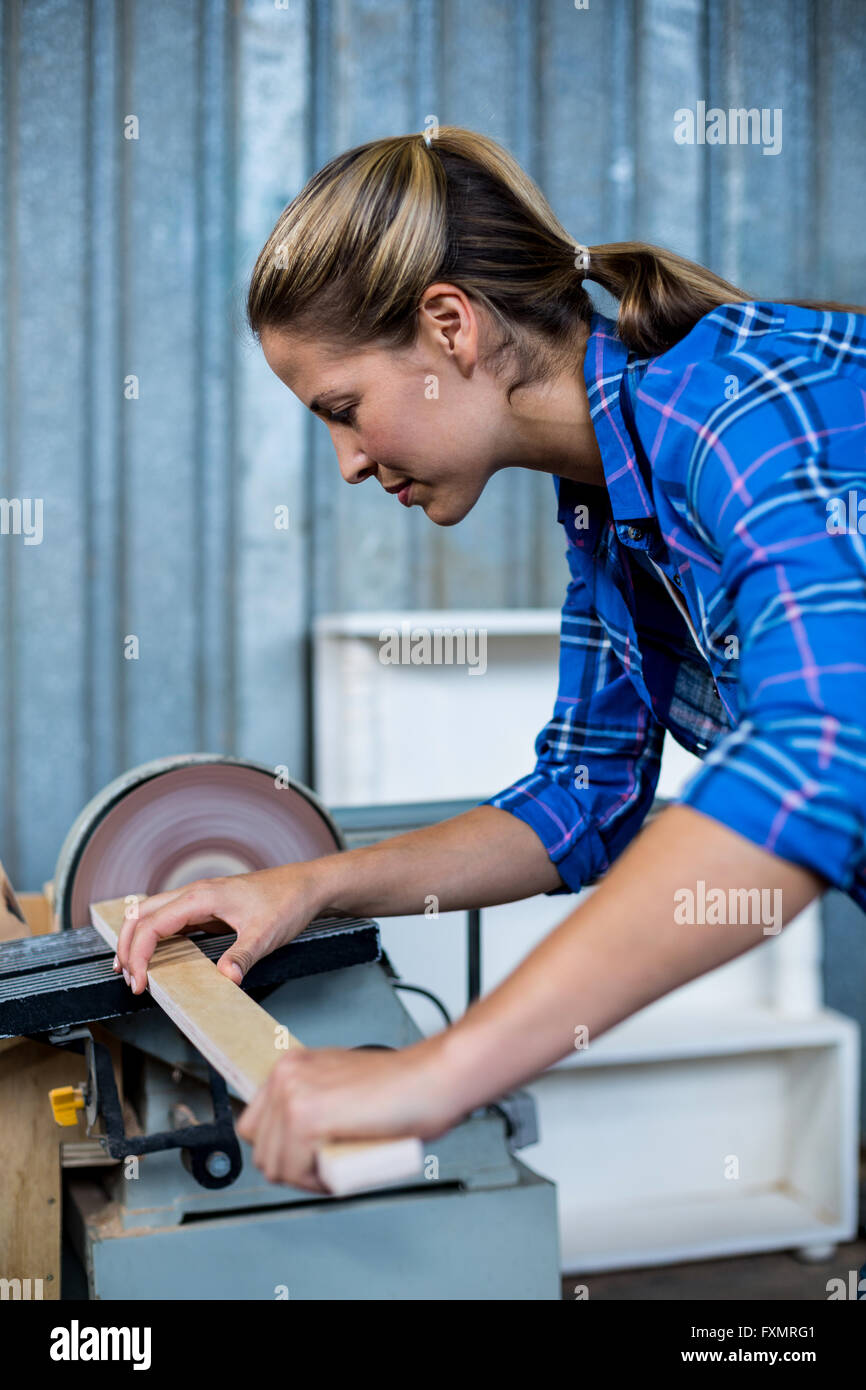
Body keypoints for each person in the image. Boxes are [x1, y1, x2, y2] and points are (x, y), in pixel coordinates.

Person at [114, 127, 866, 1193]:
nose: (347, 462)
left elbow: (825, 752)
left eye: (343, 409)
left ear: (450, 325)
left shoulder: (738, 410)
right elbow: (578, 801)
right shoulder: (611, 512)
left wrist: (434, 1073)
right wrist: (307, 886)